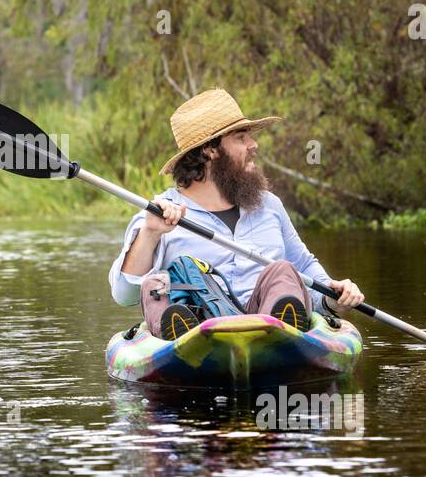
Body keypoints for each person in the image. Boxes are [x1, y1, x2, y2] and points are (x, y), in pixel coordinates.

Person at [108, 88, 364, 336]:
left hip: (268, 326)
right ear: (210, 149)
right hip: (200, 330)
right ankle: (182, 336)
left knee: (283, 271)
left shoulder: (270, 205)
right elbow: (125, 296)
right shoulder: (159, 214)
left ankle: (280, 332)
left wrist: (333, 298)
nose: (254, 145)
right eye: (241, 138)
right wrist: (150, 233)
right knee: (156, 286)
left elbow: (305, 267)